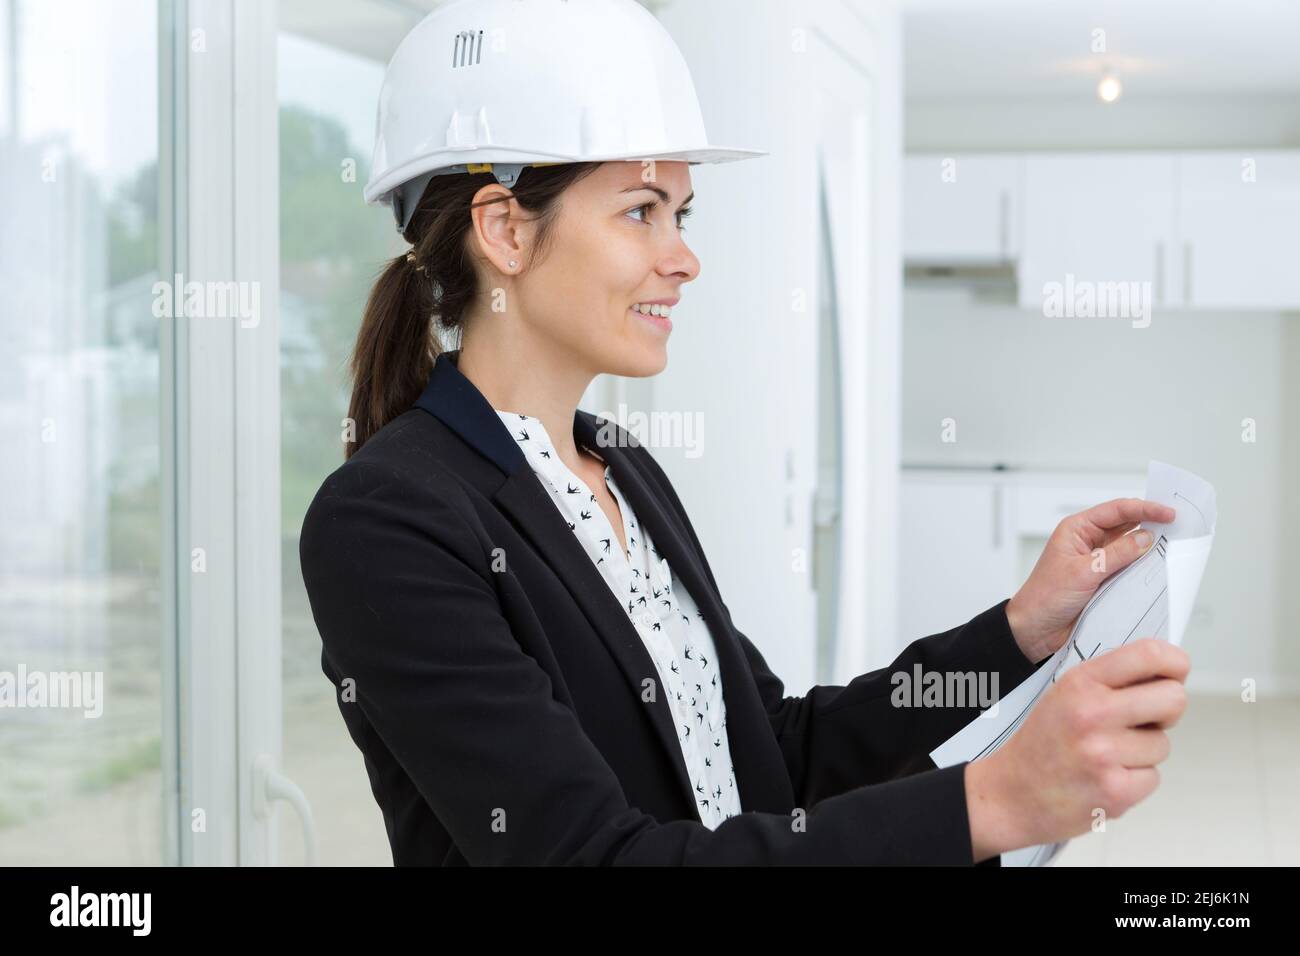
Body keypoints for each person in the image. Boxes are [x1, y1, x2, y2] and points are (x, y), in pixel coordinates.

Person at [298, 0, 1189, 866]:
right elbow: (591, 856)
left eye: (680, 215)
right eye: (642, 209)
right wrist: (988, 801)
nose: (683, 257)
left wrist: (1018, 631)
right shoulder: (388, 518)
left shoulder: (622, 466)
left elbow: (775, 749)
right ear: (505, 232)